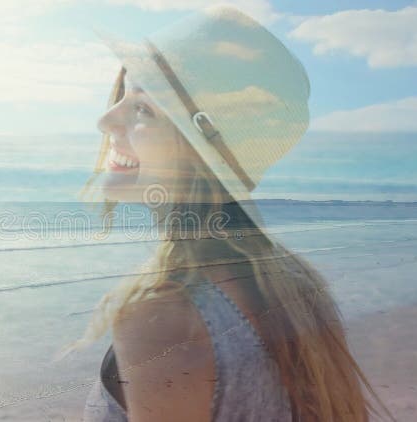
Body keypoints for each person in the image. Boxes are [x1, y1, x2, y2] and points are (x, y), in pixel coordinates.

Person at [62, 5, 393, 422]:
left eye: (144, 108)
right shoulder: (297, 287)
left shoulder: (163, 319)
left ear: (201, 149)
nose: (106, 119)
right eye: (123, 95)